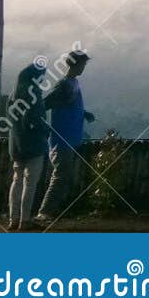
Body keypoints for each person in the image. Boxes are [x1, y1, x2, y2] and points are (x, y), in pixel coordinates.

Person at [34, 49, 93, 225]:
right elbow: (45, 104)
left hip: (70, 138)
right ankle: (44, 213)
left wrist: (84, 113)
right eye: (82, 64)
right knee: (60, 176)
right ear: (75, 64)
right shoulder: (64, 85)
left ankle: (52, 211)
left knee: (63, 176)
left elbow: (69, 105)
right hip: (62, 139)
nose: (83, 67)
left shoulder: (73, 83)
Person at [5, 61, 50, 231]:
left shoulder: (13, 95)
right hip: (34, 144)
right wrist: (46, 130)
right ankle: (25, 221)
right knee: (30, 183)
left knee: (16, 181)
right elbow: (35, 119)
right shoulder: (34, 93)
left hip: (16, 144)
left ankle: (13, 219)